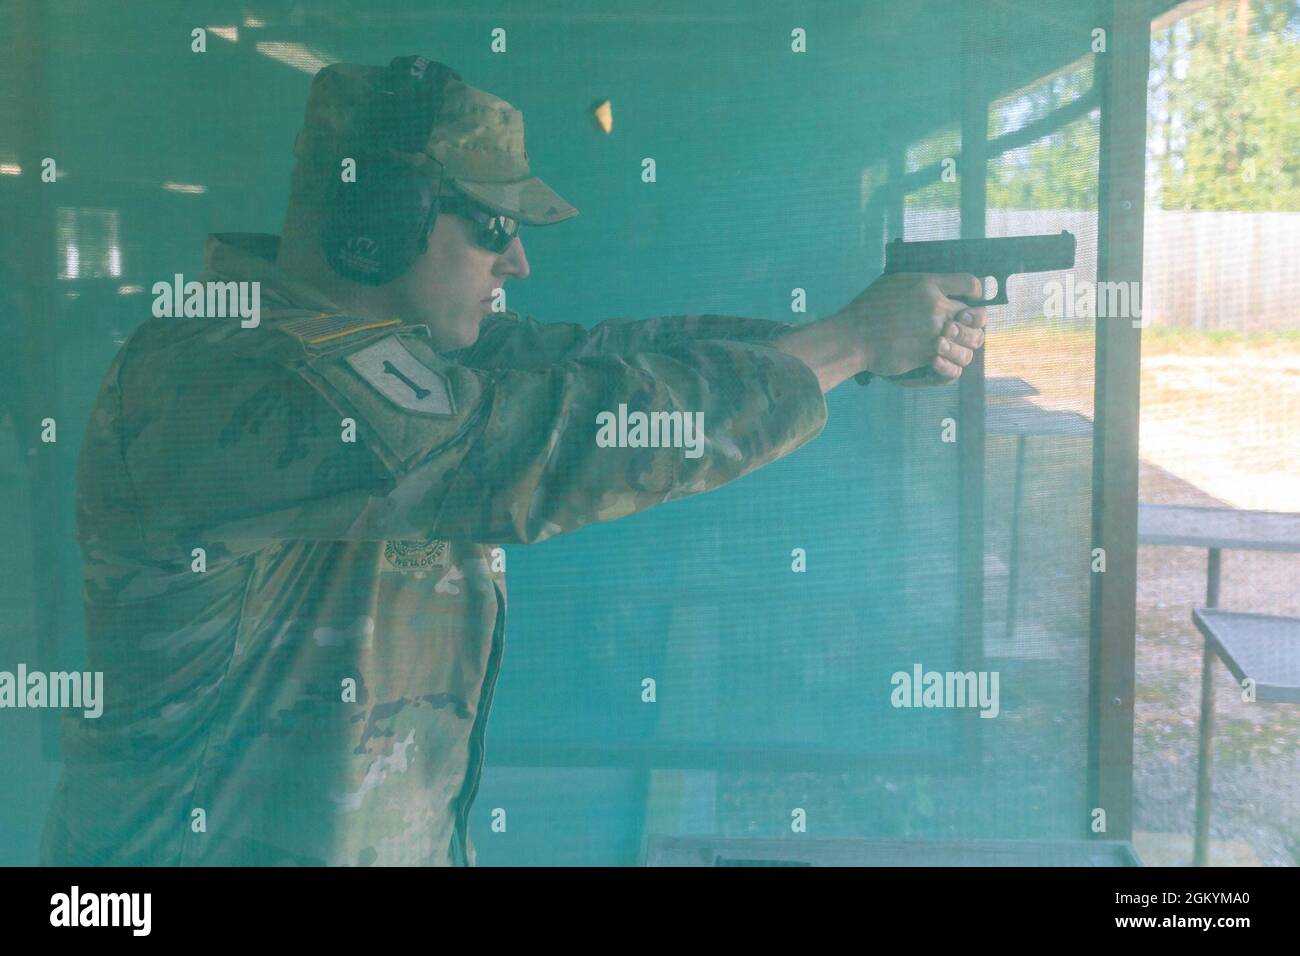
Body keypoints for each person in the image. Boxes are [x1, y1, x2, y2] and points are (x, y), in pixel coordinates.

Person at [41, 55, 985, 866]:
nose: (518, 262)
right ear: (378, 218)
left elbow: (597, 359)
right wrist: (852, 345)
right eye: (492, 226)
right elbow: (555, 443)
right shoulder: (230, 371)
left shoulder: (382, 345)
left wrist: (849, 346)